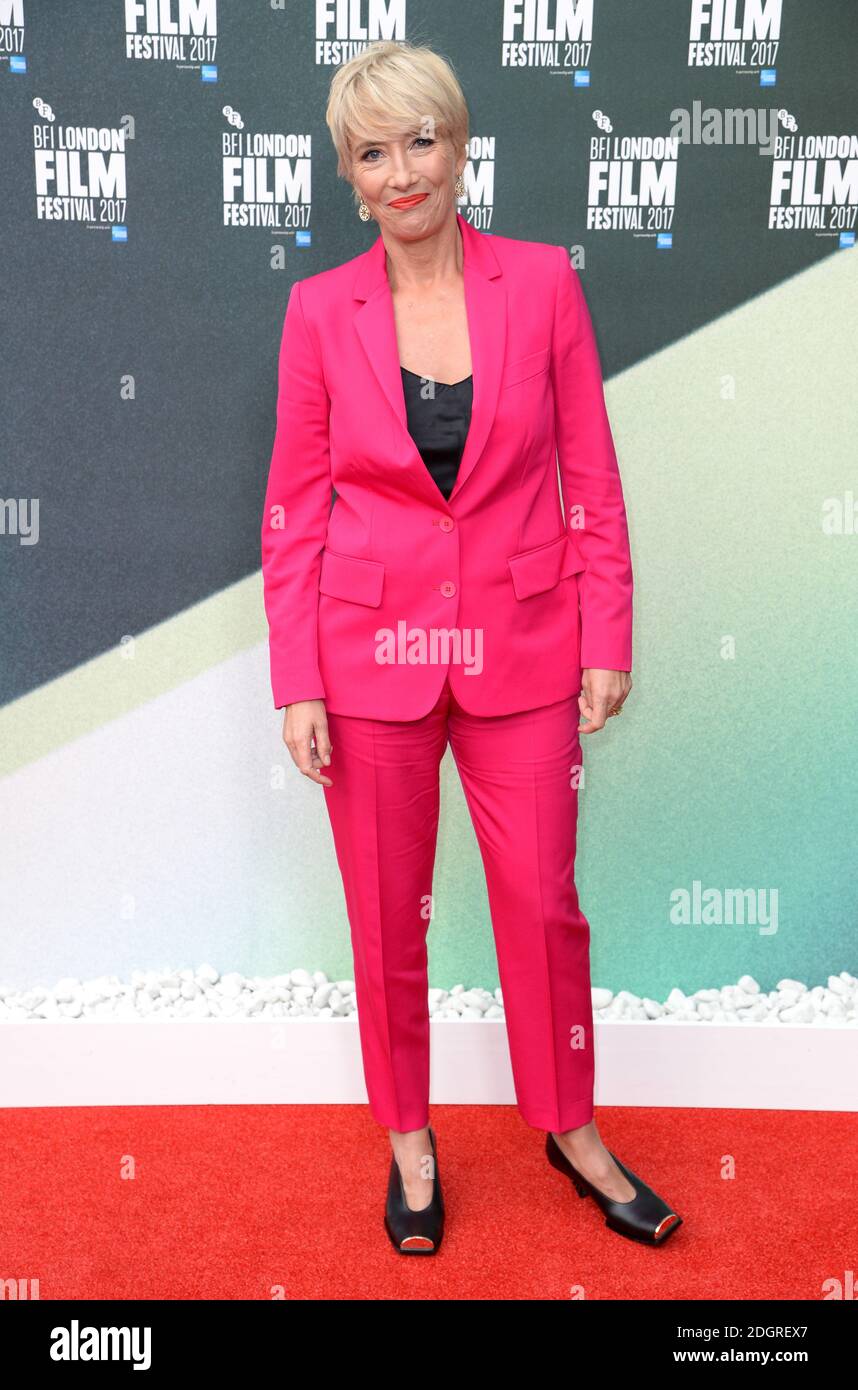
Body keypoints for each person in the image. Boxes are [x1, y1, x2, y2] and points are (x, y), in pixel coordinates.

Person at [260, 39, 682, 1254]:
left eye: (421, 141)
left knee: (544, 904)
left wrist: (608, 628)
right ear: (350, 175)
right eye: (373, 152)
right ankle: (409, 1141)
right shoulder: (315, 311)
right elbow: (292, 509)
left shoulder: (544, 284)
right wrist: (299, 678)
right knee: (388, 916)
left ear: (458, 146)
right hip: (368, 658)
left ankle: (571, 1125)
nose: (403, 172)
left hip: (527, 646)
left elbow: (588, 472)